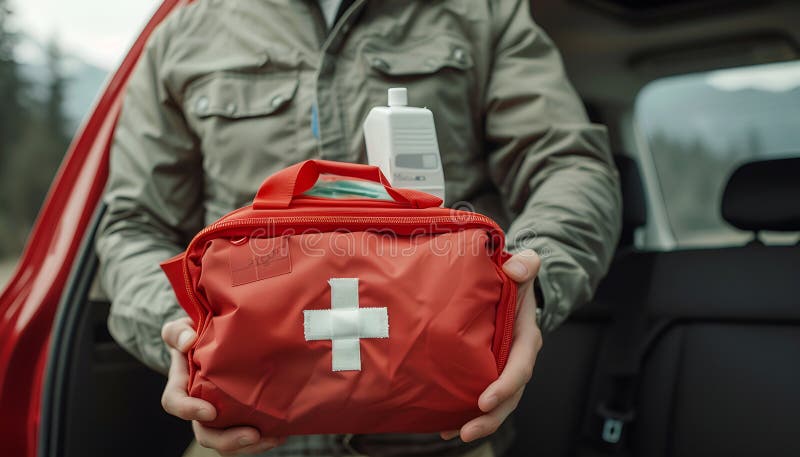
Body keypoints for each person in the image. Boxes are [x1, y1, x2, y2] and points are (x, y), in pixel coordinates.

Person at [96, 0, 622, 456]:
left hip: (446, 441)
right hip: (245, 440)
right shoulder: (185, 35)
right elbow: (132, 226)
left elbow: (570, 166)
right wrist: (184, 332)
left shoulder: (480, 12)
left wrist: (526, 287)